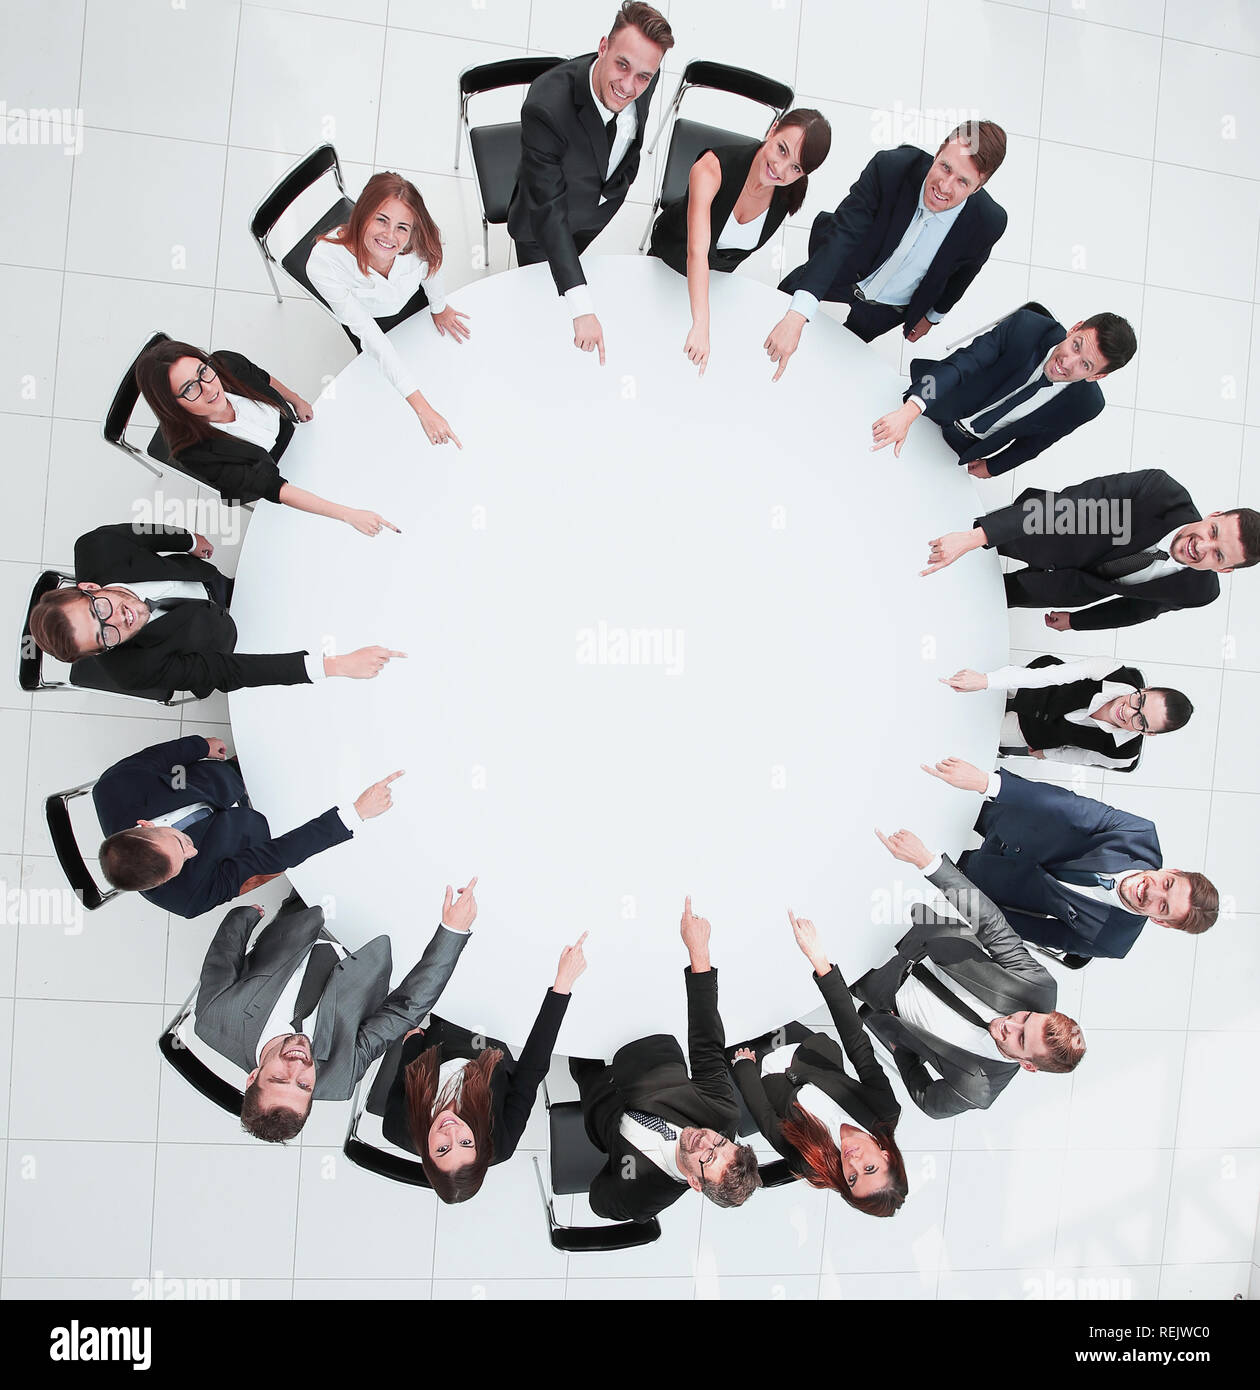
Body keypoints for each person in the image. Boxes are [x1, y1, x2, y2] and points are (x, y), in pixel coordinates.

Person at [194, 880, 476, 1142]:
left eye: (279, 1078)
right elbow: (405, 1010)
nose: (298, 1066)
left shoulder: (214, 1017)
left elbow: (225, 951)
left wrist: (247, 916)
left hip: (312, 909)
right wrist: (452, 932)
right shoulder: (341, 1077)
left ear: (254, 1076)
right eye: (304, 1086)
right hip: (374, 938)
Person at [854, 828, 1086, 1118]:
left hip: (877, 984)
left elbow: (930, 1104)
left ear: (1028, 1065)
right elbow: (991, 924)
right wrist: (928, 862)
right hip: (912, 927)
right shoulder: (1039, 989)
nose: (1010, 1024)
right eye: (1025, 1018)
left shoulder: (979, 1089)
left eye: (1021, 1039)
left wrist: (901, 1048)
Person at [27, 523, 403, 700]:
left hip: (208, 582)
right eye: (104, 636)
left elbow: (143, 533)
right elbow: (226, 670)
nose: (119, 620)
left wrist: (188, 540)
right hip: (220, 640)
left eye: (100, 609)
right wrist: (334, 666)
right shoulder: (130, 669)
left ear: (89, 587)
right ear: (102, 651)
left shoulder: (97, 547)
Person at [569, 895, 761, 1222]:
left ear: (695, 1183)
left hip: (592, 1073)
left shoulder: (641, 1197)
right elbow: (707, 1045)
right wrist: (699, 953)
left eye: (707, 1158)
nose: (706, 1141)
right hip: (641, 1033)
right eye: (720, 1143)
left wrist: (617, 1153)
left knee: (564, 987)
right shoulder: (722, 1116)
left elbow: (598, 1198)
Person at [765, 120, 1008, 377]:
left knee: (848, 346)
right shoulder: (891, 168)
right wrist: (797, 314)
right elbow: (842, 236)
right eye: (945, 167)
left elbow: (966, 272)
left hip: (891, 306)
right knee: (785, 302)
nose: (944, 187)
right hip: (844, 269)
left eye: (962, 182)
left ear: (978, 187)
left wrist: (932, 316)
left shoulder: (988, 222)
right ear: (938, 153)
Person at [922, 757, 1220, 961]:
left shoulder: (1112, 940)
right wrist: (987, 783)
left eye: (1163, 906)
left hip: (989, 880)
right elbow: (1069, 807)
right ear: (1173, 870)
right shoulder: (1139, 834)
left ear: (1161, 922)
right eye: (1167, 883)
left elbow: (1018, 927)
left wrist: (957, 900)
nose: (1152, 891)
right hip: (1011, 819)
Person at [507, 1, 674, 364]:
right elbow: (548, 212)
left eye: (643, 76)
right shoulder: (546, 107)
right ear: (603, 47)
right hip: (541, 226)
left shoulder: (647, 71)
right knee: (539, 296)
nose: (629, 86)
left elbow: (632, 131)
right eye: (622, 65)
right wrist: (581, 304)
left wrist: (621, 183)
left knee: (569, 268)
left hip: (595, 211)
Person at [91, 732, 404, 919]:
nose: (193, 850)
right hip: (264, 830)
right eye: (182, 863)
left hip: (224, 779)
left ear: (144, 826)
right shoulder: (187, 897)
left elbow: (159, 758)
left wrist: (200, 746)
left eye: (179, 841)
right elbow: (275, 855)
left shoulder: (115, 788)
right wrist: (356, 813)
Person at [373, 933, 589, 1201]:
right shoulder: (501, 1143)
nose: (450, 1131)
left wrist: (413, 1041)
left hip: (447, 1024)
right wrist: (562, 985)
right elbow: (530, 1072)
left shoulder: (397, 1128)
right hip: (497, 1035)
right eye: (465, 1142)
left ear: (427, 1155)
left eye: (442, 1149)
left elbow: (402, 1083)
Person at [921, 469, 1260, 632]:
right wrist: (977, 537)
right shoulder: (1160, 491)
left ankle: (924, 613)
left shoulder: (1199, 592)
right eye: (1213, 532)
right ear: (1214, 515)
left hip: (1073, 587)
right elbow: (1074, 504)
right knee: (955, 538)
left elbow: (1140, 609)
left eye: (1218, 555)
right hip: (1049, 529)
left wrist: (1078, 622)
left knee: (989, 597)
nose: (1201, 545)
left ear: (1225, 570)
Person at [729, 910, 905, 1216]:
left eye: (852, 1178)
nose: (853, 1162)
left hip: (758, 1082)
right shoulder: (885, 1110)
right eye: (869, 1167)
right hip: (802, 1051)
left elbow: (770, 1124)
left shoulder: (814, 1164)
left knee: (728, 1015)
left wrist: (745, 1069)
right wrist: (821, 962)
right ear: (886, 1156)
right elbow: (858, 1045)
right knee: (759, 981)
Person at [133, 339, 396, 533]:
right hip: (269, 472)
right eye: (189, 388)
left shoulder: (225, 364)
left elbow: (262, 378)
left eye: (202, 371)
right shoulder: (193, 452)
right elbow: (273, 488)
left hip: (293, 437)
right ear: (172, 404)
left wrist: (296, 399)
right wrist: (348, 515)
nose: (208, 388)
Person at [648, 109, 832, 374]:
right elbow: (697, 252)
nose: (780, 169)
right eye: (781, 149)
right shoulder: (711, 168)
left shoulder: (788, 195)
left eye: (796, 167)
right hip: (670, 255)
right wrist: (702, 324)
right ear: (773, 130)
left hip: (715, 277)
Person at [870, 307, 1136, 476]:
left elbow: (1037, 443)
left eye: (1085, 365)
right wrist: (912, 408)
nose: (1067, 363)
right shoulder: (1027, 327)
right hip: (938, 403)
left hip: (965, 446)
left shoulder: (1086, 405)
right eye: (1076, 346)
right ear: (1075, 328)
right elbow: (962, 363)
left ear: (1097, 376)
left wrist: (993, 467)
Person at [307, 171, 469, 447]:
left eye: (402, 227)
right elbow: (370, 336)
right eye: (381, 220)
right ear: (362, 214)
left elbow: (432, 267)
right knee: (382, 391)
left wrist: (438, 306)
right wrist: (423, 409)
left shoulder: (419, 241)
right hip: (371, 320)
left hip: (411, 300)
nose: (390, 236)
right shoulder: (324, 263)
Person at [941, 655, 1193, 771]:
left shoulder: (1123, 755)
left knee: (969, 731)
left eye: (1140, 720)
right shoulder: (1112, 670)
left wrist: (1047, 754)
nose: (1127, 711)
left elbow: (1083, 757)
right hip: (1035, 687)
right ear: (1144, 688)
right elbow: (1047, 676)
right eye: (1139, 700)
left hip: (1034, 731)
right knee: (969, 682)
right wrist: (986, 681)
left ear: (1148, 733)